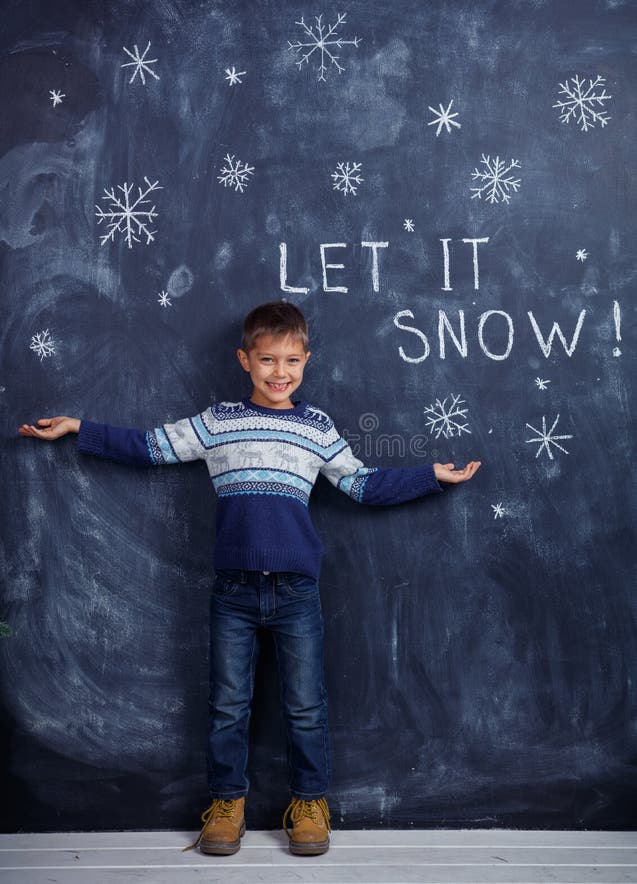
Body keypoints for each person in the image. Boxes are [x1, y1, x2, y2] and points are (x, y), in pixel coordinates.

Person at [18, 300, 481, 857]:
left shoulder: (316, 427)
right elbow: (150, 447)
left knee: (305, 706)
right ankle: (226, 804)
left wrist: (429, 475)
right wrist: (79, 428)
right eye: (267, 360)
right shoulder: (218, 423)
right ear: (245, 360)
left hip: (296, 592)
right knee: (228, 705)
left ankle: (309, 803)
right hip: (234, 592)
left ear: (306, 361)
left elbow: (361, 484)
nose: (279, 372)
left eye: (291, 361)